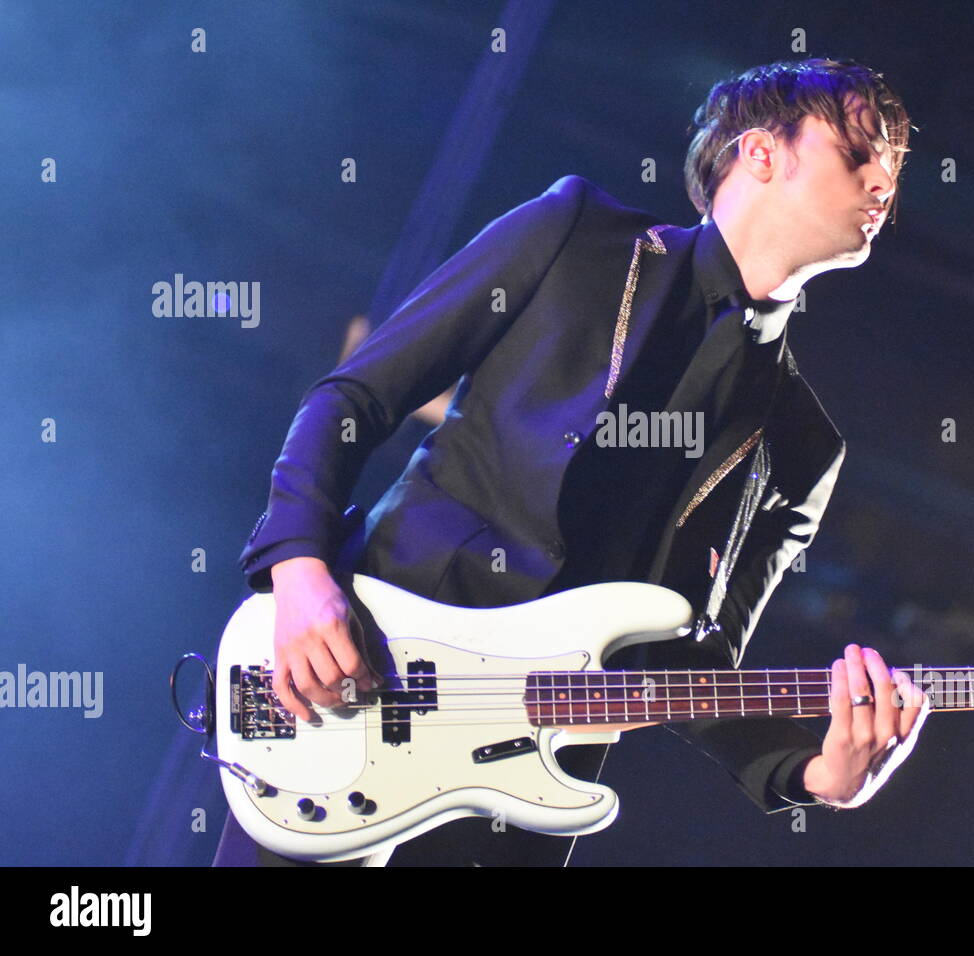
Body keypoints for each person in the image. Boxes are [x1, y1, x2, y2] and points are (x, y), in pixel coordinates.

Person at [213, 57, 929, 867]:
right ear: (762, 154)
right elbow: (353, 401)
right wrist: (299, 573)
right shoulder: (576, 236)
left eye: (895, 172)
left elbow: (696, 664)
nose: (884, 186)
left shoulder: (802, 447)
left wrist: (816, 773)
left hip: (522, 800)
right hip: (364, 686)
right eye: (860, 154)